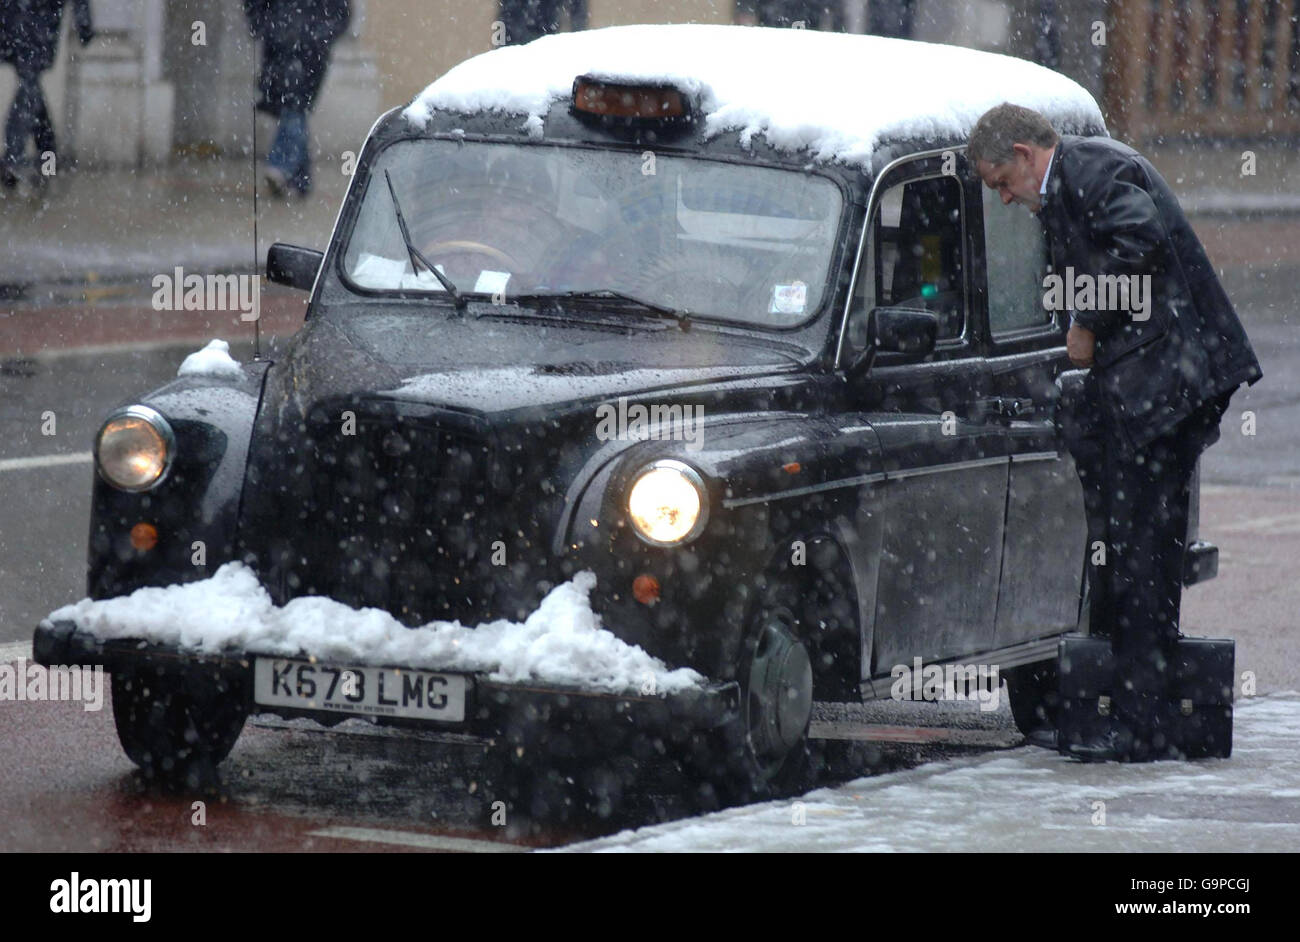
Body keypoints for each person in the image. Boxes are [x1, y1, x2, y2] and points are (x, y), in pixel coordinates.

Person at [968, 103, 1262, 762]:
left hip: (1169, 390)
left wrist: (1087, 323)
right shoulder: (1076, 182)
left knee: (1137, 551)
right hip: (1157, 389)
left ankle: (1138, 724)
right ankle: (1143, 715)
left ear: (1022, 152)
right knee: (1141, 551)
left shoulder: (1096, 172)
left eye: (1000, 182)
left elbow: (1141, 245)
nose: (1005, 197)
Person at [243, 0, 350, 198]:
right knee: (294, 108)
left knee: (294, 107)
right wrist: (266, 27)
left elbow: (341, 15)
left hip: (310, 53)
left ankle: (281, 166)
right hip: (281, 50)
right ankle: (301, 178)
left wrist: (319, 35)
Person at [1, 0, 94, 192]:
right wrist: (84, 26)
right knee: (31, 90)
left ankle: (14, 159)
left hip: (34, 23)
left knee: (29, 86)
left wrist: (84, 25)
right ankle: (47, 158)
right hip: (22, 23)